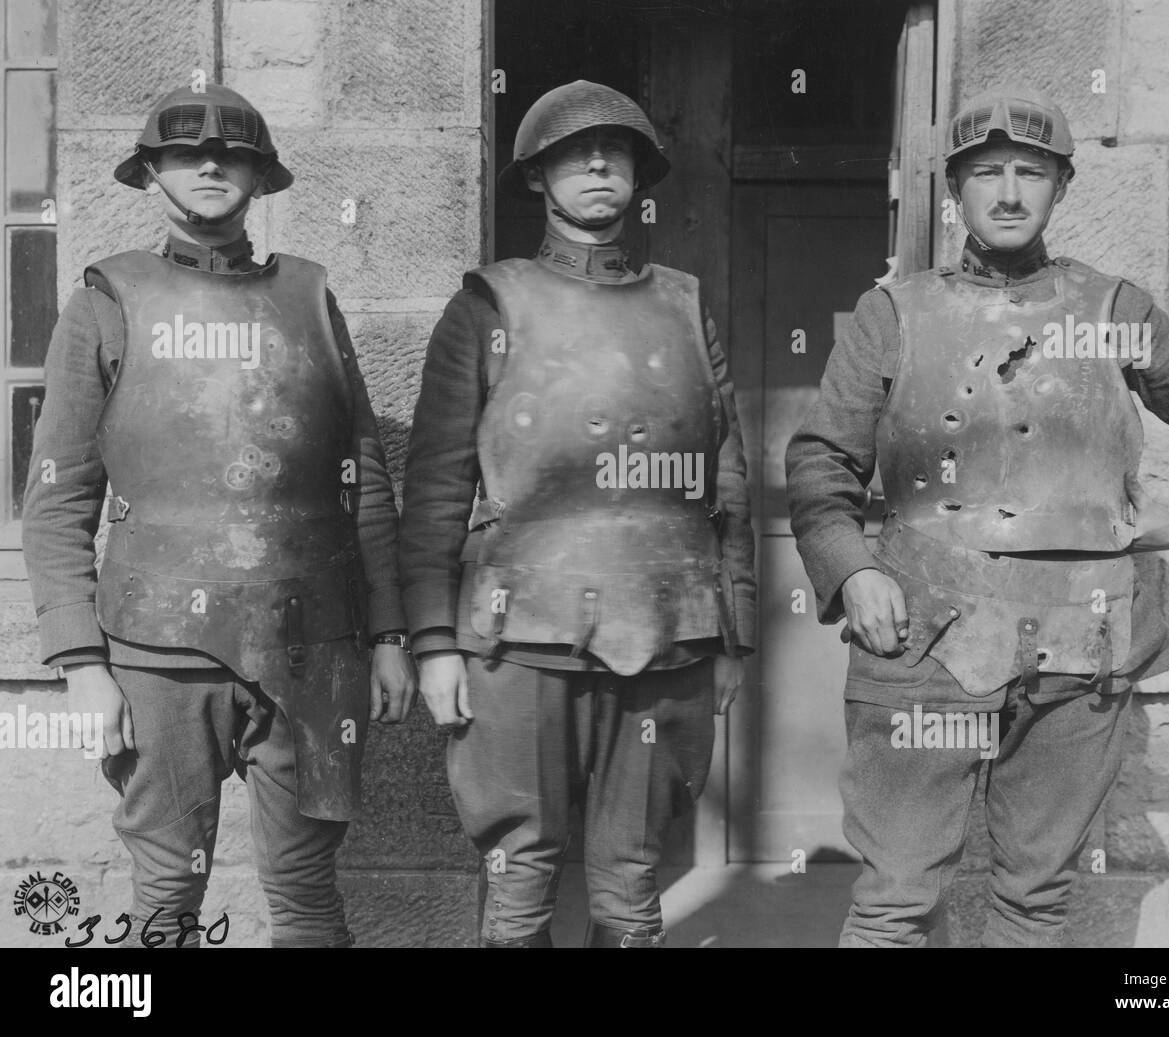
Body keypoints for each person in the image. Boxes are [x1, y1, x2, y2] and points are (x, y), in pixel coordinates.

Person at [786, 85, 1169, 948]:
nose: (1009, 192)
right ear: (955, 191)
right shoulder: (893, 312)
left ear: (1060, 188)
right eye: (986, 173)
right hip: (920, 646)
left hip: (1079, 653)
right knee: (895, 901)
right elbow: (822, 460)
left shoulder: (1114, 311)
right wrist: (852, 569)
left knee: (1036, 900)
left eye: (1031, 172)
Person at [22, 84, 415, 948]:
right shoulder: (106, 299)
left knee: (309, 889)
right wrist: (81, 663)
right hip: (158, 651)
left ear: (259, 176)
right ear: (151, 173)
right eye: (184, 153)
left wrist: (390, 632)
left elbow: (367, 482)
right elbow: (57, 498)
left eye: (231, 154)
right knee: (166, 888)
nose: (209, 165)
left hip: (313, 642)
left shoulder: (311, 296)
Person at [400, 80, 756, 948]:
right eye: (574, 151)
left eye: (618, 150)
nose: (599, 162)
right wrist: (432, 643)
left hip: (667, 634)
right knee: (518, 873)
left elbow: (729, 478)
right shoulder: (488, 304)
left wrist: (733, 633)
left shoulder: (685, 301)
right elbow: (436, 491)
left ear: (639, 173)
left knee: (632, 882)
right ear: (537, 177)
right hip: (518, 638)